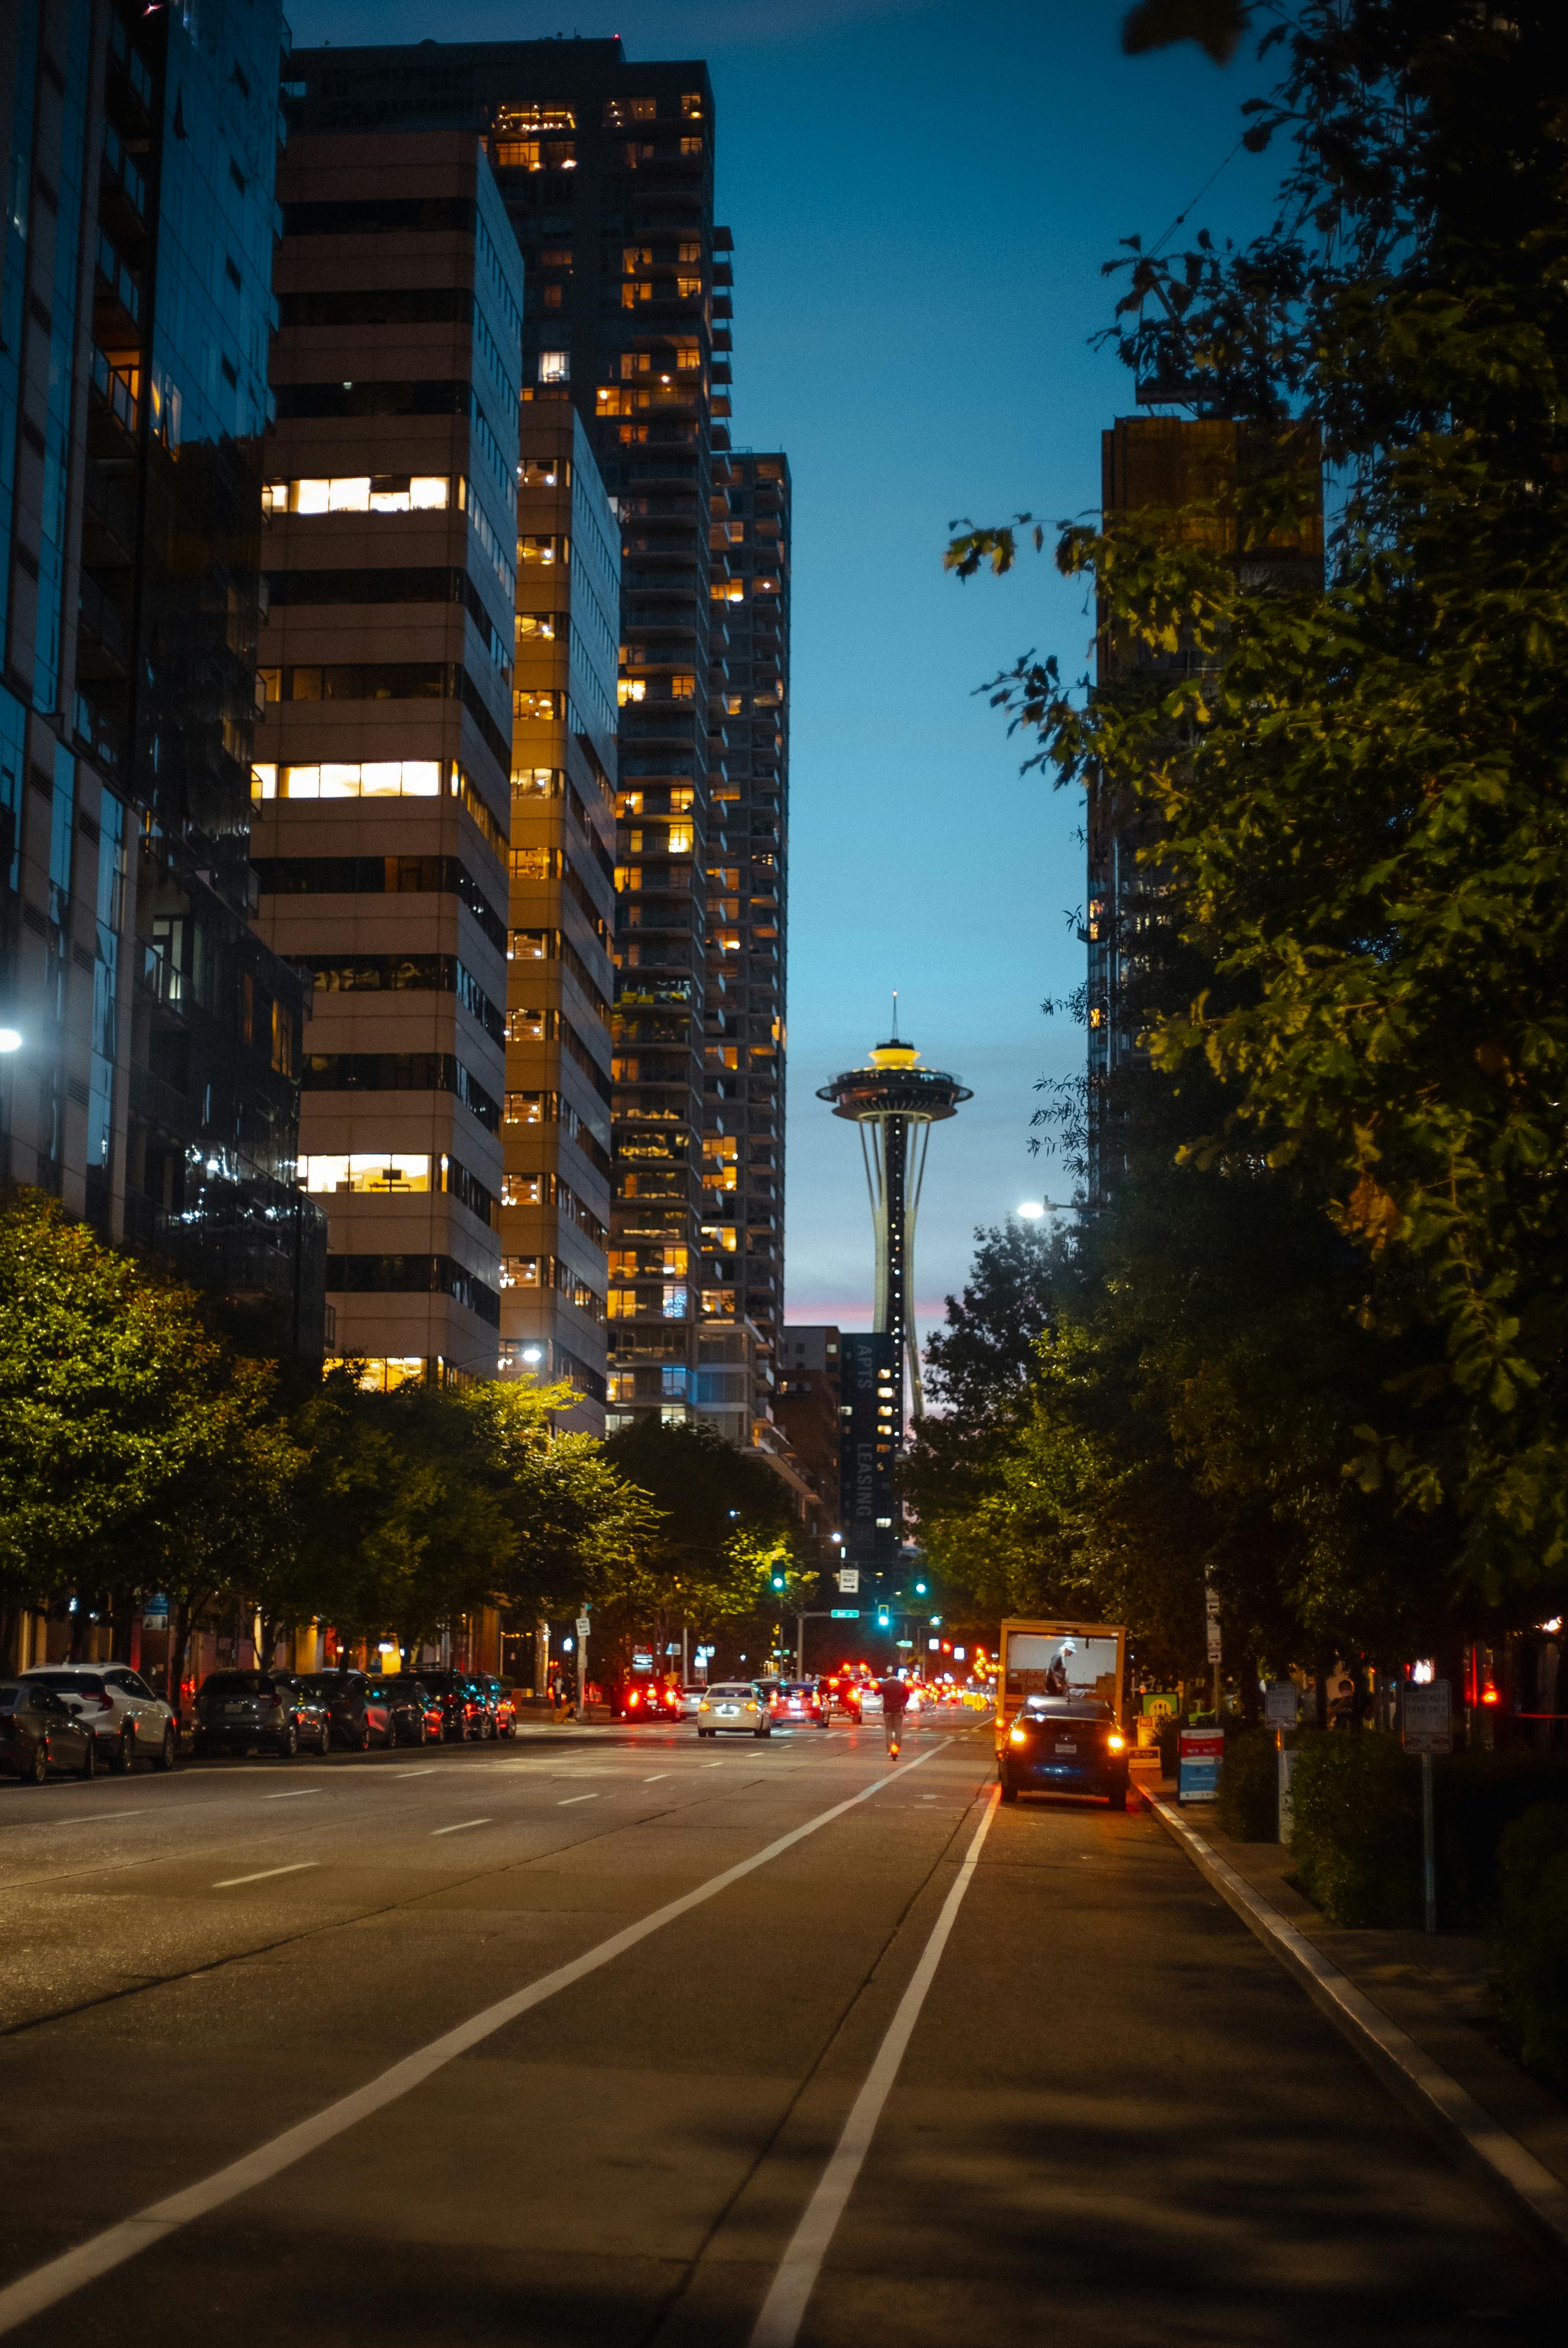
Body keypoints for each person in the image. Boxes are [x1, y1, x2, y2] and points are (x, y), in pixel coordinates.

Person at [879, 1673, 911, 1756]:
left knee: (889, 1729)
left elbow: (876, 1692)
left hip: (887, 1710)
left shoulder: (884, 1684)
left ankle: (889, 1749)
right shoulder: (902, 1685)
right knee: (898, 1729)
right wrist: (904, 1704)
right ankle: (898, 1747)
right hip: (899, 1710)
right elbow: (907, 1696)